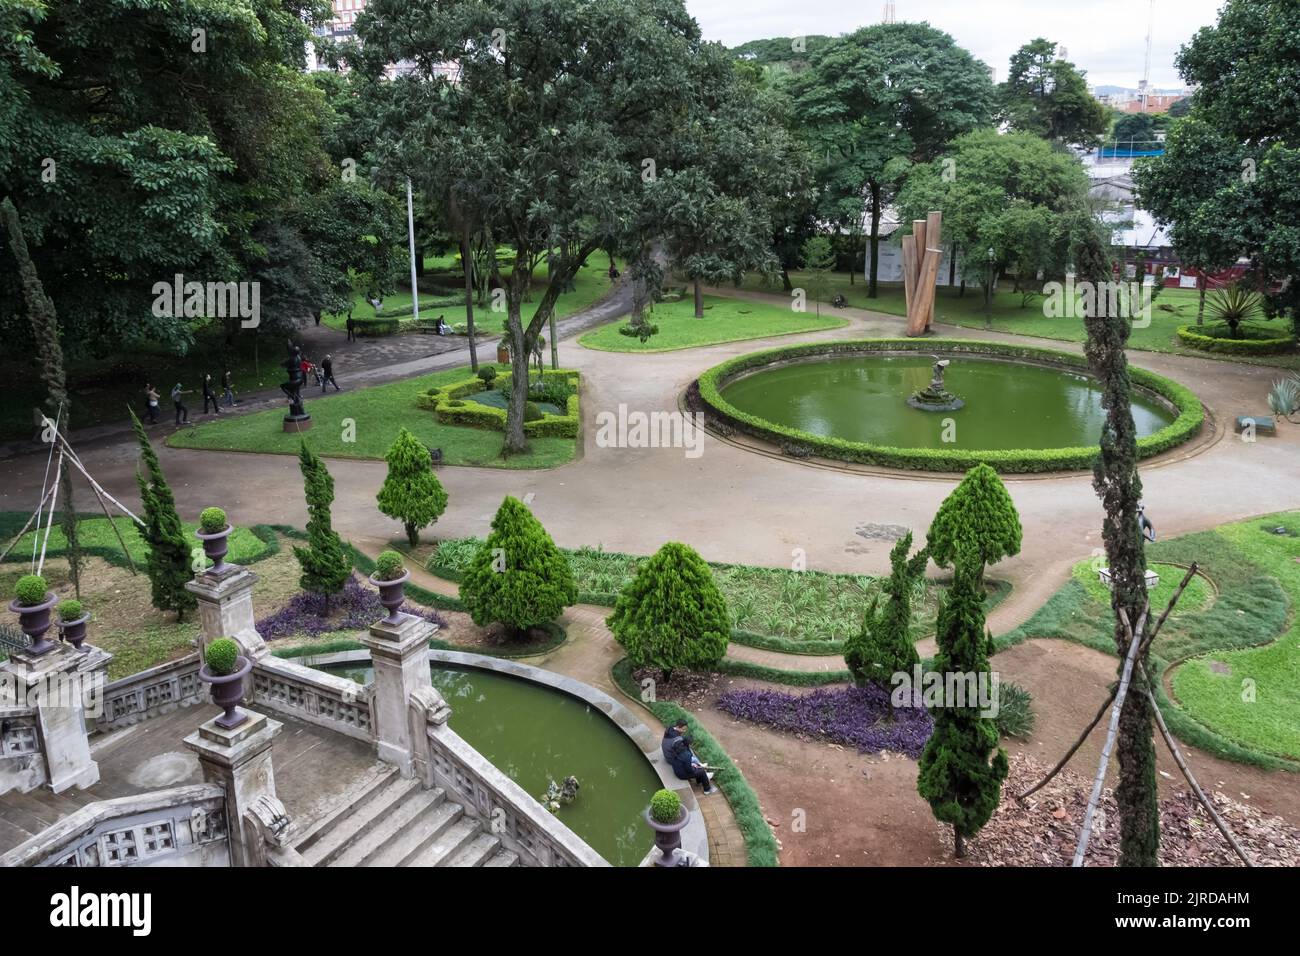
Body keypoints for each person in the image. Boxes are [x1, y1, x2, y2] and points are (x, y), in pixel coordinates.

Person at [661, 719, 715, 795]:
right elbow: (689, 770)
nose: (684, 731)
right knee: (701, 771)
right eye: (683, 729)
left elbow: (684, 762)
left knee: (696, 766)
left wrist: (692, 765)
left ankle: (700, 779)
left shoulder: (674, 749)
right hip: (680, 774)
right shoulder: (686, 753)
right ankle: (707, 790)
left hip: (675, 767)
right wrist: (694, 767)